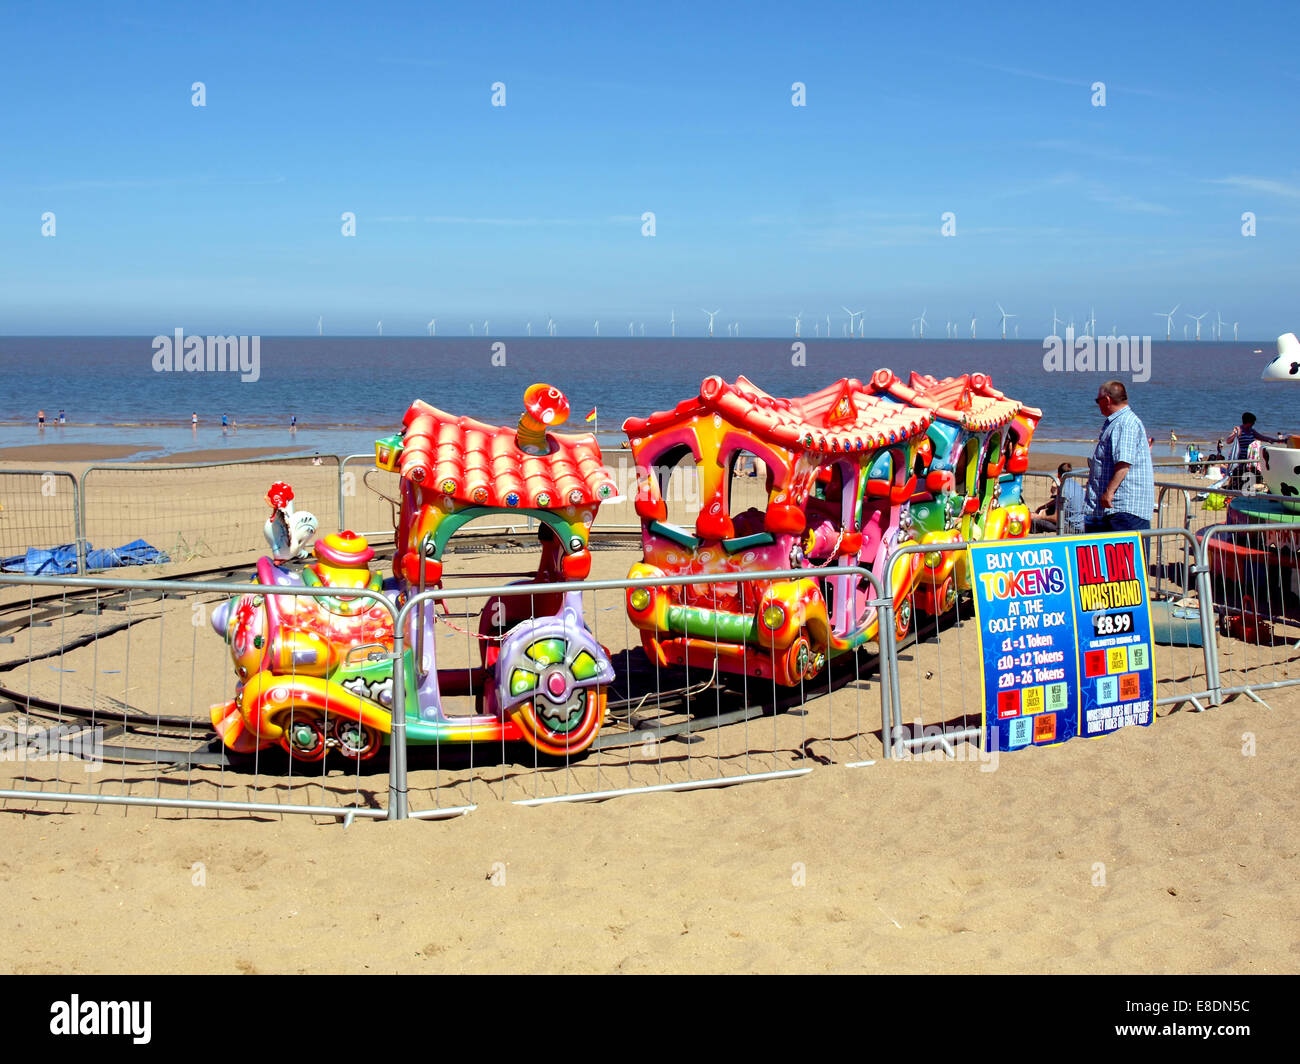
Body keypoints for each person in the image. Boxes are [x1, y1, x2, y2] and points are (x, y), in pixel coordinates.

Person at [1084, 380, 1155, 532]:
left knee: (1126, 555)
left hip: (1123, 509)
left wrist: (1109, 492)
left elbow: (1124, 463)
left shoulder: (1124, 423)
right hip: (1116, 510)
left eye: (1098, 401)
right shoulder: (1119, 422)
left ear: (1107, 400)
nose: (1098, 405)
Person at [1033, 462, 1086, 533]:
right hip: (1081, 524)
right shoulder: (1078, 486)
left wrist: (1039, 517)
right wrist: (1043, 506)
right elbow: (1060, 501)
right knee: (1049, 511)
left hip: (1071, 527)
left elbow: (1056, 518)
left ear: (1058, 475)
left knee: (1035, 522)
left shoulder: (1063, 489)